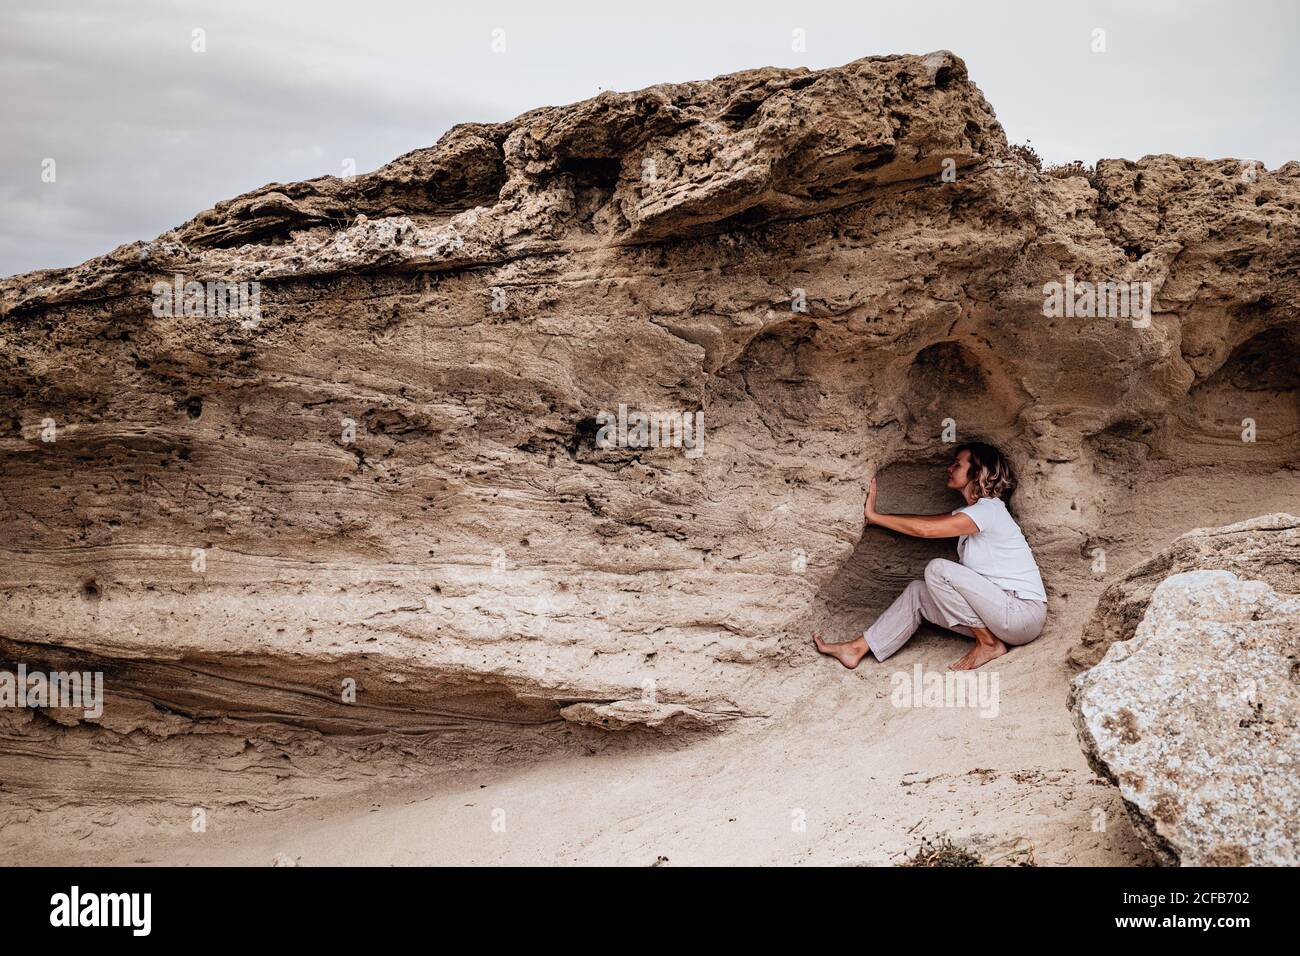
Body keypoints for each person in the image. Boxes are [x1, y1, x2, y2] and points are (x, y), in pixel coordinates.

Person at [812, 442, 1047, 671]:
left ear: (977, 473)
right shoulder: (970, 514)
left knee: (937, 569)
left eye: (957, 465)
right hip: (998, 616)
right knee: (918, 592)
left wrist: (875, 516)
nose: (949, 469)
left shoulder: (989, 509)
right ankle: (857, 649)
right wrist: (877, 517)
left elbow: (927, 530)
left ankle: (988, 644)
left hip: (1021, 615)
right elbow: (927, 522)